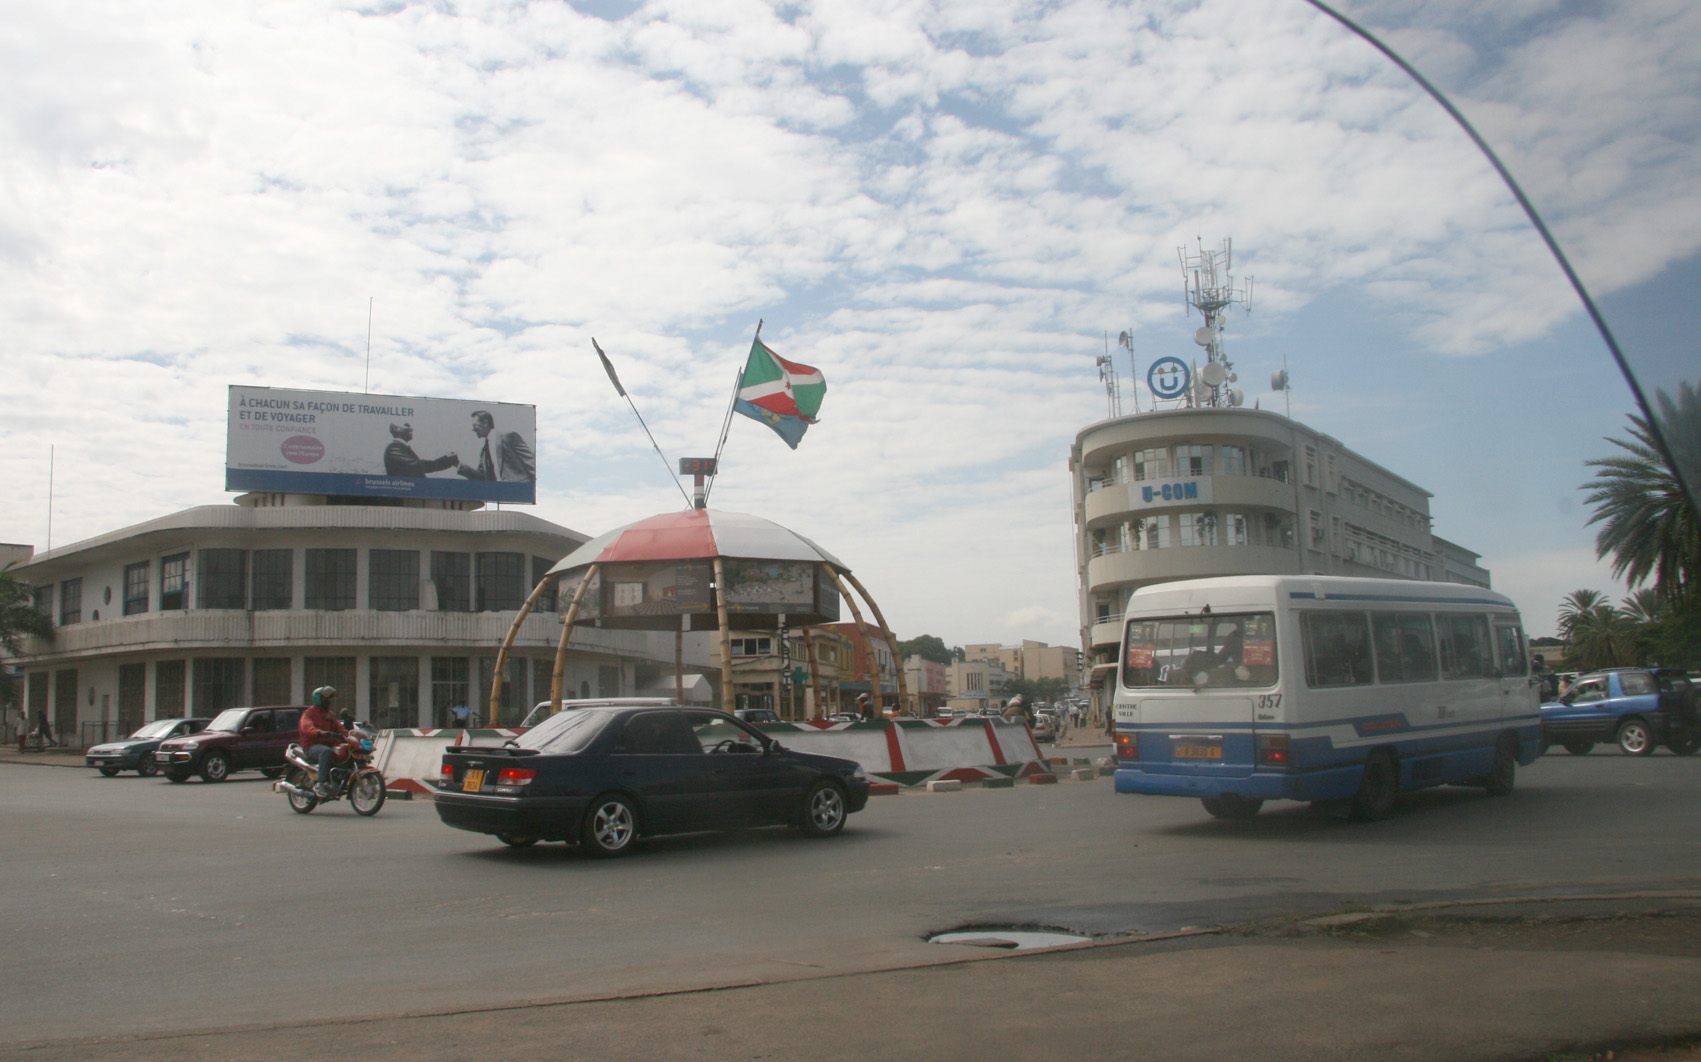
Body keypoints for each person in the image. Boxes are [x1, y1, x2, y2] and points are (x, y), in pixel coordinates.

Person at [300, 686, 351, 798]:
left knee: (346, 752)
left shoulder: (330, 714)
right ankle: (321, 784)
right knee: (326, 752)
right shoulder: (309, 713)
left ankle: (337, 781)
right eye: (325, 698)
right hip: (312, 746)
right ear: (318, 699)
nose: (328, 701)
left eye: (329, 698)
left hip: (329, 744)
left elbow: (339, 728)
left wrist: (351, 735)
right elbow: (306, 727)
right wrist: (319, 732)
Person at [456, 410, 535, 483]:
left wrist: (534, 487)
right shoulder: (484, 452)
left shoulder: (507, 436)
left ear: (485, 423)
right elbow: (482, 478)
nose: (472, 429)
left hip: (519, 490)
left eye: (475, 425)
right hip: (501, 495)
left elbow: (530, 461)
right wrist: (458, 464)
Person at [382, 422, 457, 477]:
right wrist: (447, 459)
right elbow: (419, 467)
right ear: (396, 428)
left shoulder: (401, 447)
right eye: (406, 426)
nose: (411, 429)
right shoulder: (394, 448)